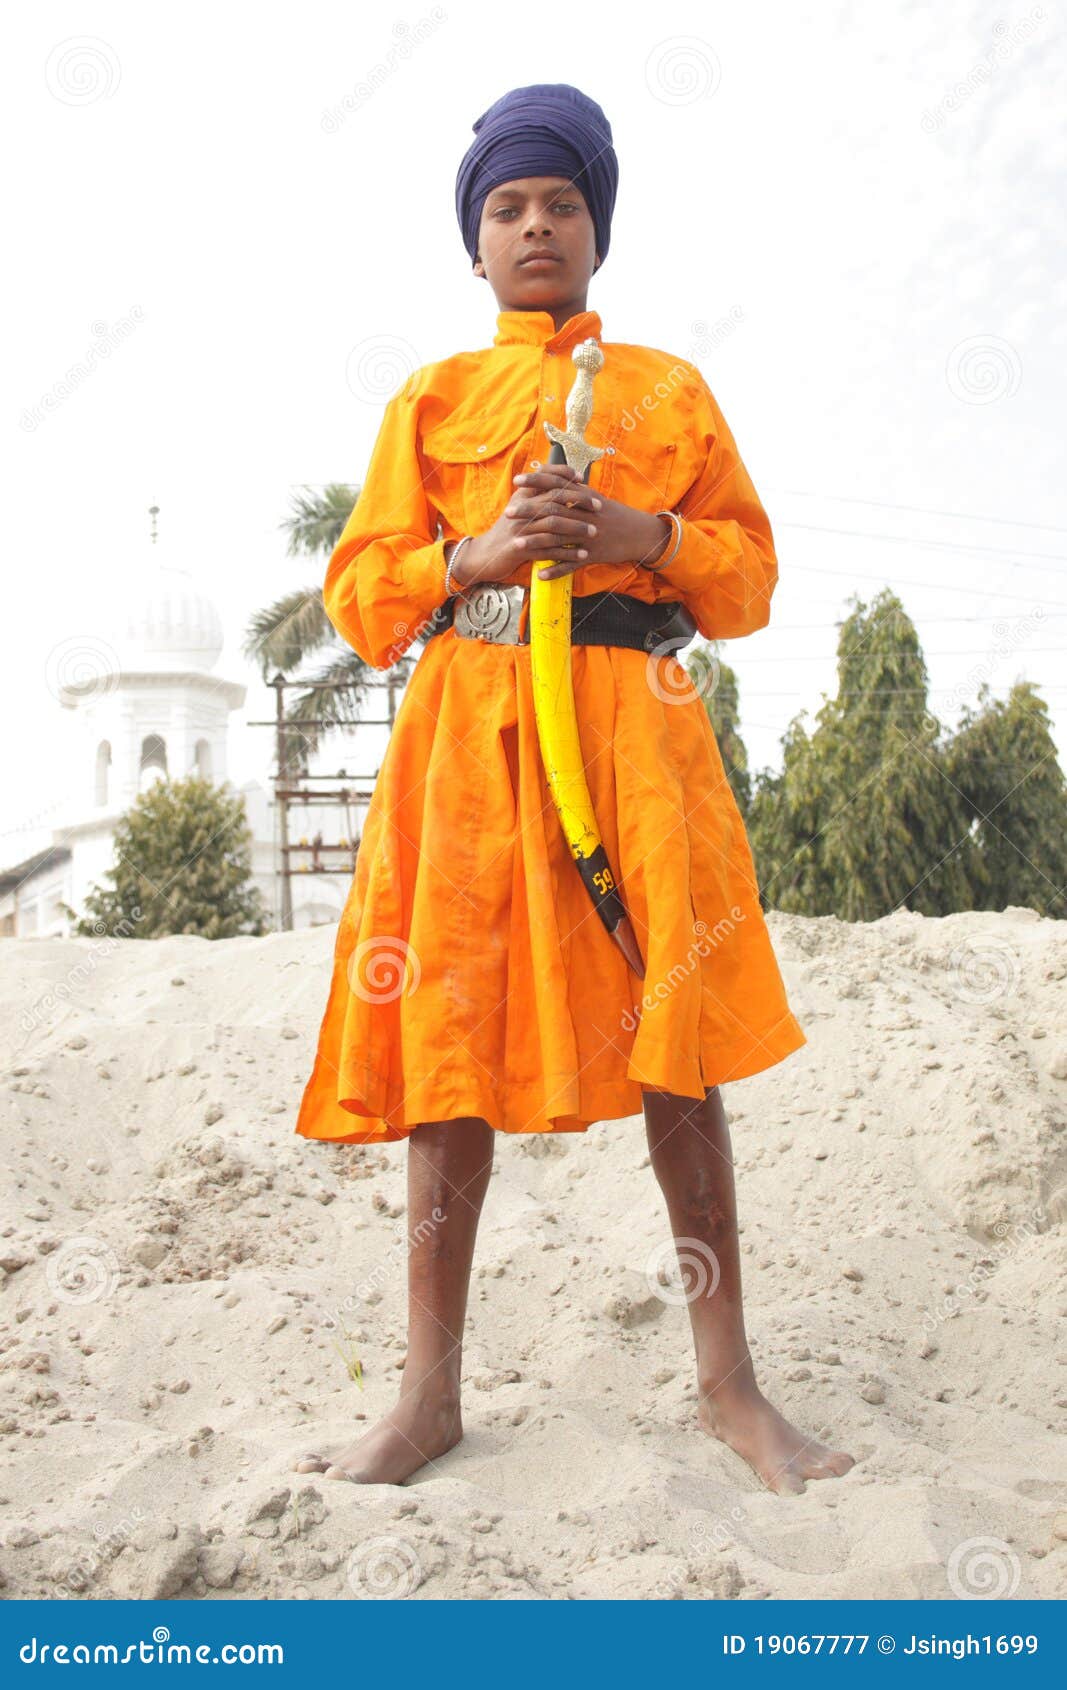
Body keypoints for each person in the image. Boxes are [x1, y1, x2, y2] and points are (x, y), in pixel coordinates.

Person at [293, 84, 854, 1497]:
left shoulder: (666, 389)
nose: (535, 225)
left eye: (560, 203)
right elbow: (360, 593)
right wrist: (466, 556)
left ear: (597, 227)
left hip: (638, 741)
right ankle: (427, 1397)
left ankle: (731, 1387)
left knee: (684, 1047)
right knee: (447, 1056)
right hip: (470, 747)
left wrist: (638, 528)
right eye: (507, 207)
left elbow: (749, 578)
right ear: (474, 246)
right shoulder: (429, 397)